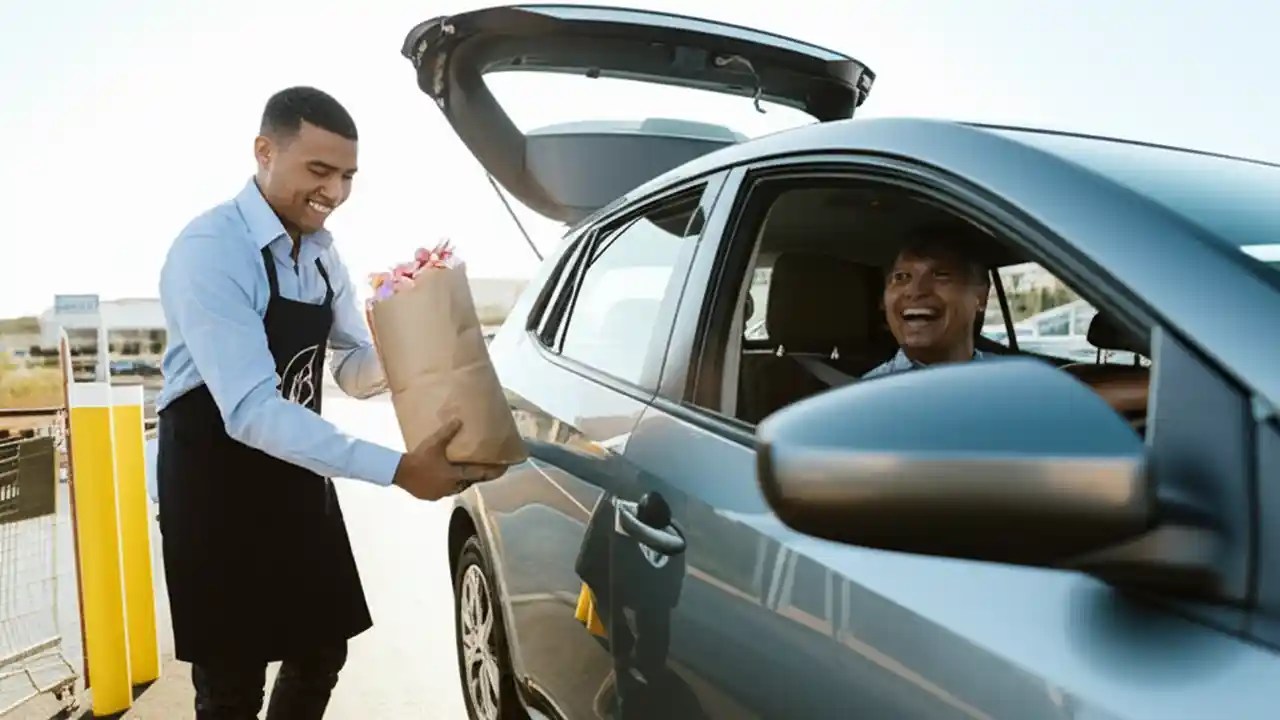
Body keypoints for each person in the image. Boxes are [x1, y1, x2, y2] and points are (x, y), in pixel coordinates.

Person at [155, 86, 504, 719]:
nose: (335, 192)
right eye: (319, 171)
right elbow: (252, 410)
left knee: (321, 649)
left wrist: (413, 321)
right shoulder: (212, 249)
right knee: (232, 681)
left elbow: (350, 366)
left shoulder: (321, 254)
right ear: (264, 151)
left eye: (347, 176)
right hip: (216, 478)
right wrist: (398, 469)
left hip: (296, 468)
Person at [863, 225, 992, 378]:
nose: (915, 291)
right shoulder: (866, 396)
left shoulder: (1013, 383)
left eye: (940, 275)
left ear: (981, 297)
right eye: (901, 277)